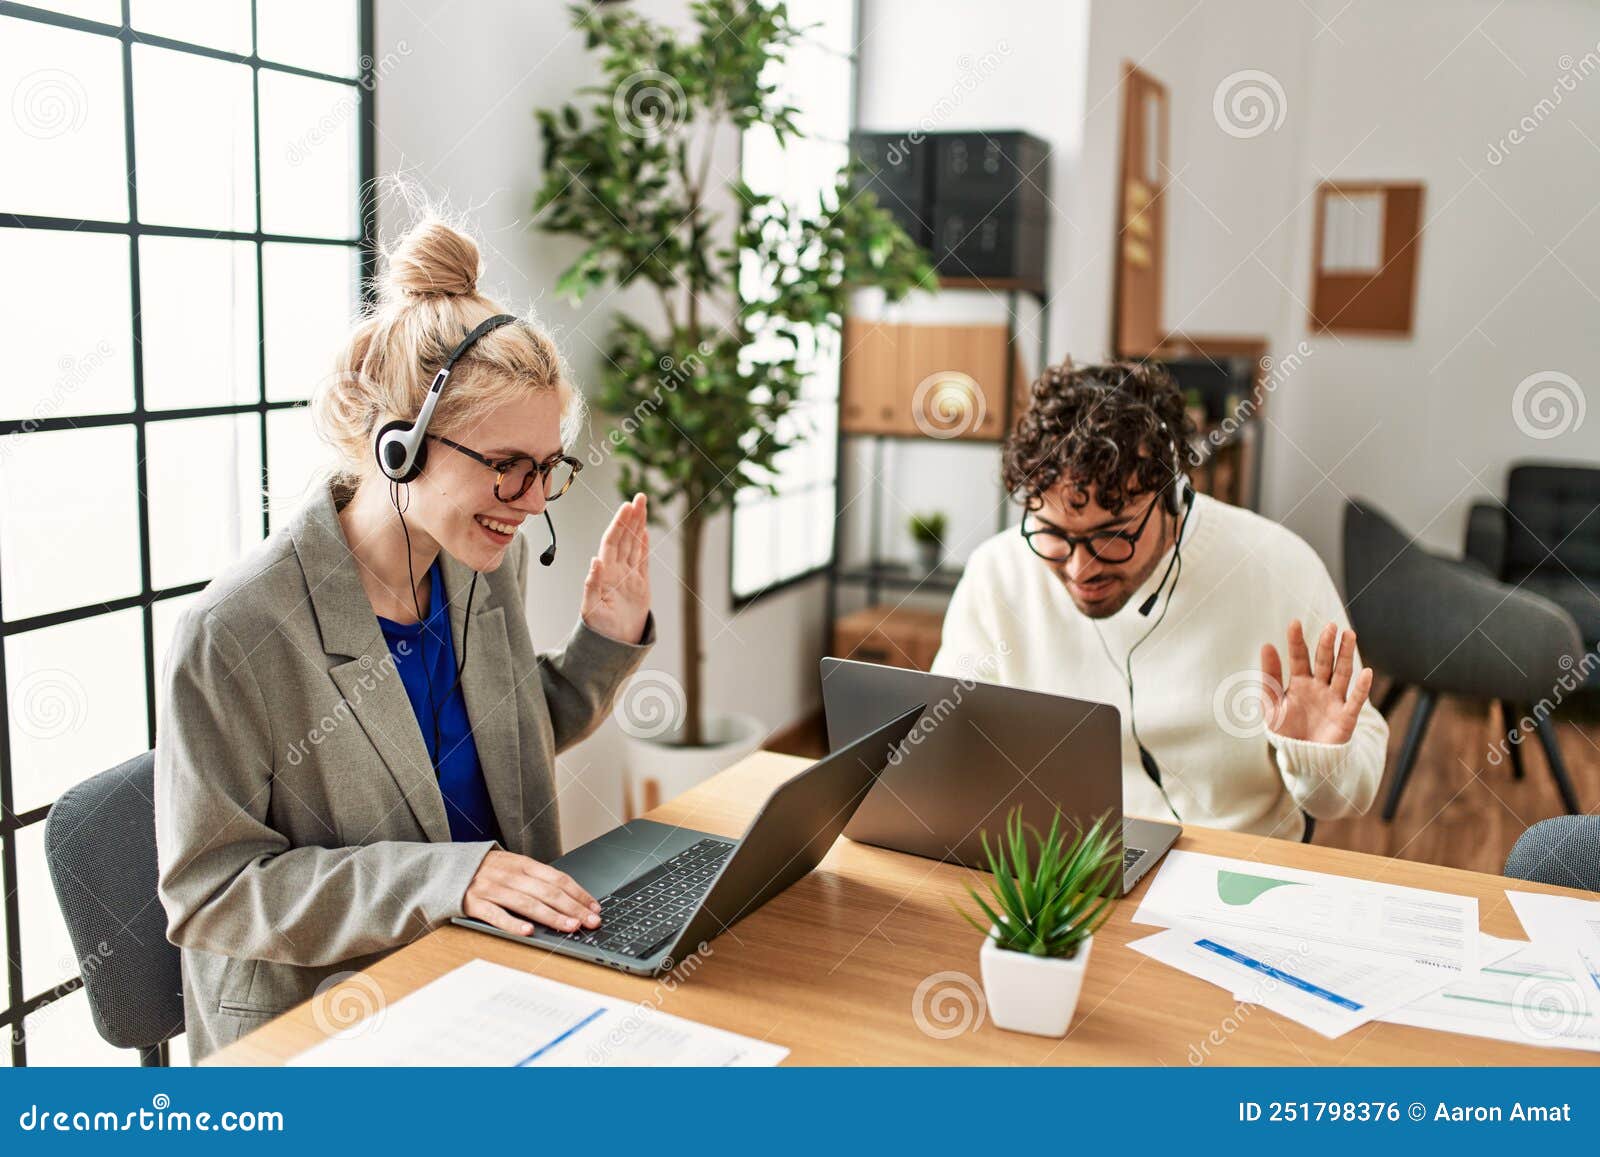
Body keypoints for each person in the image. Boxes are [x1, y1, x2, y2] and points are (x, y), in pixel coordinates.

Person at [155, 216, 654, 1060]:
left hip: (497, 978)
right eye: (507, 465)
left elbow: (503, 738)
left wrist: (605, 640)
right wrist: (448, 877)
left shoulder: (481, 563)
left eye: (546, 467)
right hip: (333, 1024)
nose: (534, 500)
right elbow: (213, 892)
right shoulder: (233, 633)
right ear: (401, 446)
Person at [932, 359, 1387, 840]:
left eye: (1112, 536)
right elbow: (945, 747)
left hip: (1229, 861)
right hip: (1049, 860)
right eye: (1054, 533)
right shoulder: (997, 573)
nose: (1080, 569)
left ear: (1172, 496)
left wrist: (1317, 760)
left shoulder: (1281, 565)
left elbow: (1346, 799)